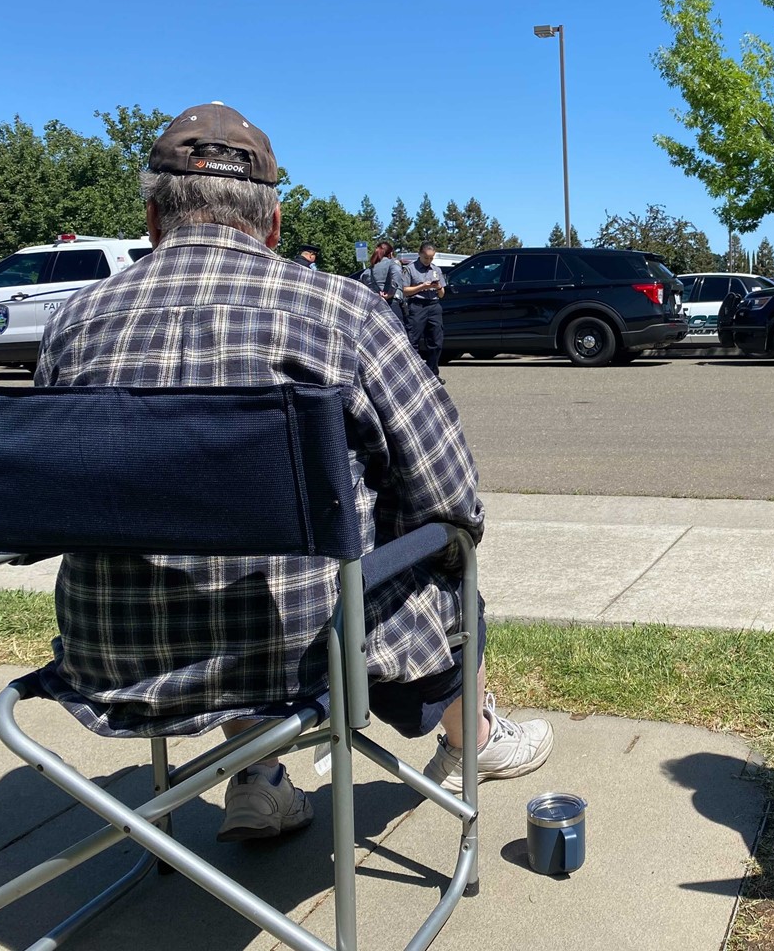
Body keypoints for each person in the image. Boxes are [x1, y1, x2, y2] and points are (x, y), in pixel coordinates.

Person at [32, 101, 552, 844]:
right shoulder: (343, 310)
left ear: (153, 218)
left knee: (221, 568)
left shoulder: (74, 323)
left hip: (115, 649)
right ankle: (475, 738)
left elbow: (51, 494)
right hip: (311, 650)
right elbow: (451, 494)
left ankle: (255, 775)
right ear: (273, 226)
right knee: (434, 559)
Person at [402, 242, 447, 377]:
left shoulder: (436, 270)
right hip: (417, 305)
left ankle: (432, 373)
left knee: (436, 341)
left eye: (431, 258)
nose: (428, 261)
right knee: (413, 341)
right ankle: (414, 375)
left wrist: (438, 286)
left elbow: (442, 294)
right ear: (420, 254)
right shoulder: (410, 269)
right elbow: (405, 291)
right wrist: (421, 287)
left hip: (434, 305)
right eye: (426, 258)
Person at [367, 239, 409, 319]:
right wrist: (390, 293)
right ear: (390, 253)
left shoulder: (369, 270)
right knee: (397, 330)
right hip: (392, 303)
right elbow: (396, 275)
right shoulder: (393, 262)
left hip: (375, 306)